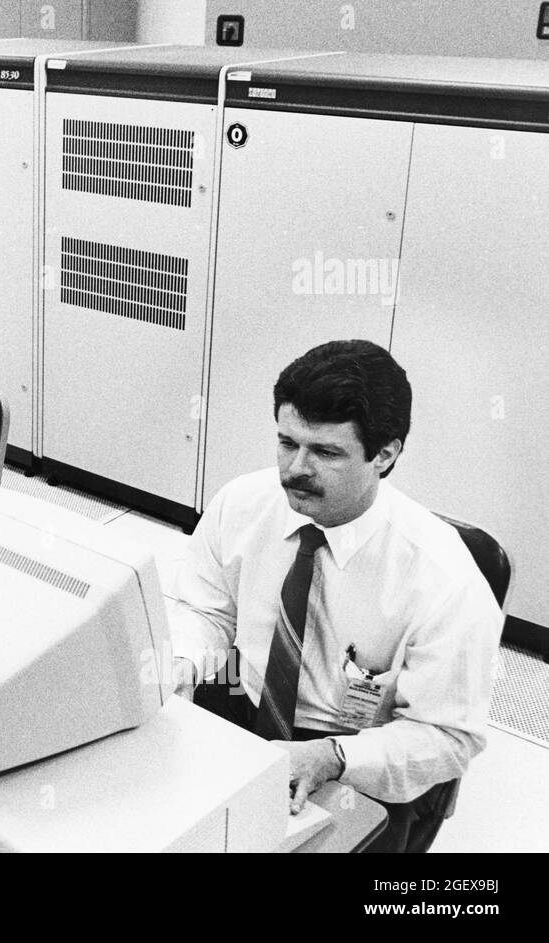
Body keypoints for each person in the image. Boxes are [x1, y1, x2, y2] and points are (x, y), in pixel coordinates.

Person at [168, 340, 501, 852]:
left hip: (358, 751)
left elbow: (447, 737)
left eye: (325, 452)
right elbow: (204, 609)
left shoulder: (443, 579)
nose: (295, 468)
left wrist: (332, 757)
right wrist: (182, 666)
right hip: (243, 704)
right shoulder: (242, 503)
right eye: (287, 442)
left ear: (385, 455)